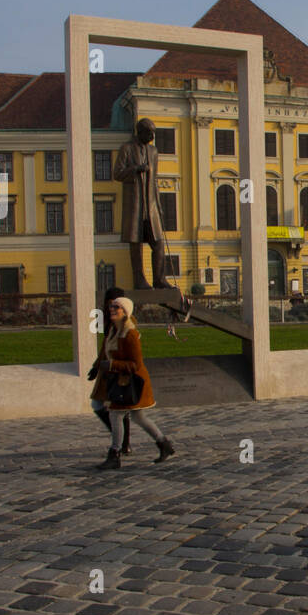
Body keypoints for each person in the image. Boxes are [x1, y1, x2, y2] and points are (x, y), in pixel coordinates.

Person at [95, 295, 176, 469]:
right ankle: (165, 445)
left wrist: (112, 364)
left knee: (116, 415)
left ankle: (115, 454)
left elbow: (135, 364)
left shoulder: (130, 334)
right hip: (121, 380)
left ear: (125, 312)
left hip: (133, 383)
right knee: (138, 416)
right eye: (111, 307)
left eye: (116, 307)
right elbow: (106, 352)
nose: (112, 310)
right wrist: (99, 366)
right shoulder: (113, 330)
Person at [113, 118, 169, 290]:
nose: (152, 136)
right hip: (135, 206)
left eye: (153, 132)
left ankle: (159, 279)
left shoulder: (153, 151)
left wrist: (158, 205)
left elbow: (155, 181)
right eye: (149, 132)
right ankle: (139, 280)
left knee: (158, 243)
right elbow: (117, 173)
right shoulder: (127, 149)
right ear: (140, 132)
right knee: (136, 245)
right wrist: (135, 169)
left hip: (150, 207)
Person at [88, 286, 132, 454]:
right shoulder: (108, 320)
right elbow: (104, 347)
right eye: (108, 304)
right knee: (98, 404)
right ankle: (119, 439)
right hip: (107, 368)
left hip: (119, 370)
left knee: (122, 410)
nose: (110, 307)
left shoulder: (126, 322)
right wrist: (96, 366)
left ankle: (123, 444)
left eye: (114, 303)